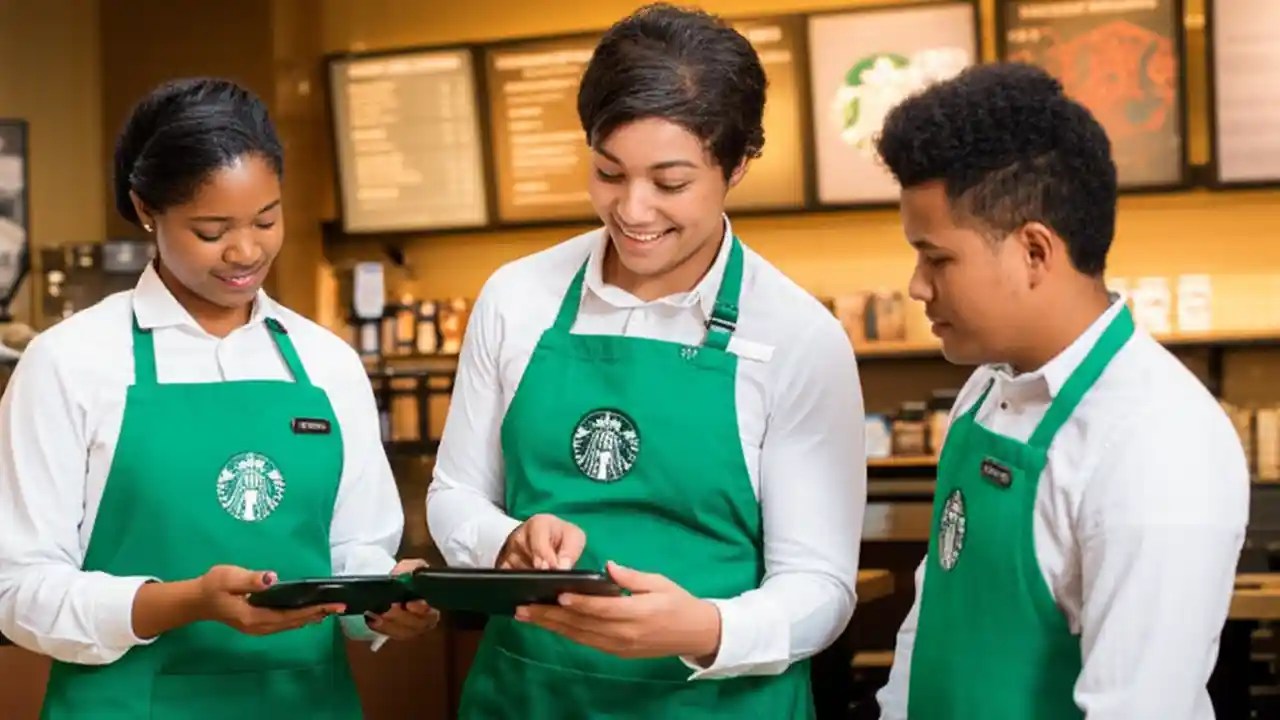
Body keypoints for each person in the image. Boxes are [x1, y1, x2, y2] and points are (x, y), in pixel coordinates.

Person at [426, 4, 866, 719]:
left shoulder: (797, 337)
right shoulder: (517, 298)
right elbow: (453, 495)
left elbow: (820, 586)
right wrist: (506, 539)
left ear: (739, 164)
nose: (631, 209)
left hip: (718, 704)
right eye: (608, 173)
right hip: (530, 695)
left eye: (669, 183)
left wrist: (705, 628)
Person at [0, 78, 439, 719]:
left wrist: (382, 604)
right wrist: (186, 602)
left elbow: (354, 551)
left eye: (267, 219)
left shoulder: (326, 364)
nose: (246, 251)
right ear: (146, 208)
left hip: (306, 703)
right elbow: (18, 588)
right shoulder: (70, 362)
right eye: (211, 230)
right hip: (129, 704)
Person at [872, 63, 1250, 719]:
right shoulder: (984, 393)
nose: (917, 287)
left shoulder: (1159, 443)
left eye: (937, 258)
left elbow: (1135, 709)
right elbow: (932, 616)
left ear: (1035, 252)